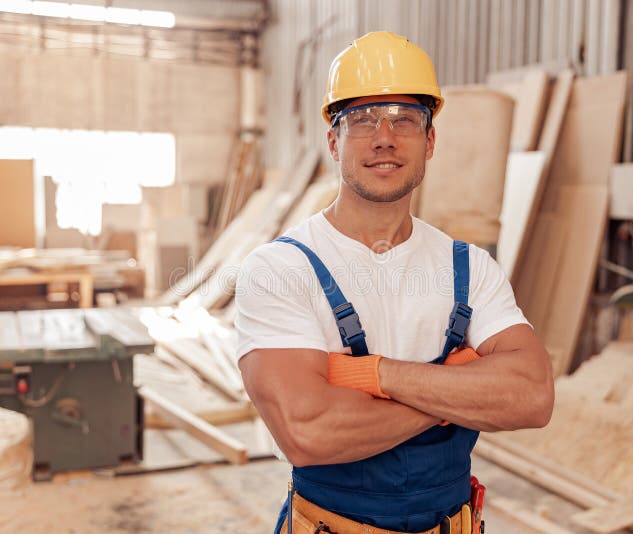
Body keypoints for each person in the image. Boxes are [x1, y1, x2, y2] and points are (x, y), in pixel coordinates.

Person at [235, 31, 554, 534]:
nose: (384, 136)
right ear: (333, 140)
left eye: (404, 119)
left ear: (430, 141)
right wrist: (456, 386)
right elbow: (307, 431)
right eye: (362, 120)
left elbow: (533, 397)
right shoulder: (280, 270)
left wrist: (373, 376)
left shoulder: (469, 268)